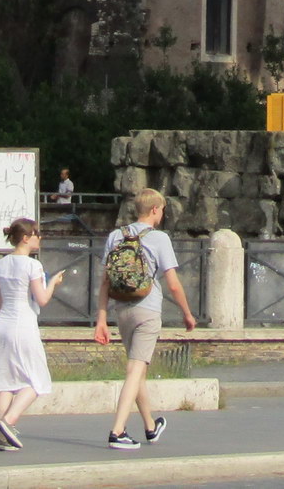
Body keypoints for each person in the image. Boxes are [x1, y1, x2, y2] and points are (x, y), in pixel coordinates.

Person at [94, 189, 197, 450]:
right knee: (134, 370)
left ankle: (151, 427)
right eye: (162, 210)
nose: (162, 214)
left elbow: (105, 281)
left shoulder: (116, 236)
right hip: (148, 310)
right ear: (154, 210)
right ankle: (117, 431)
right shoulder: (159, 238)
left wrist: (101, 319)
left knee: (136, 369)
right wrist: (187, 313)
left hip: (122, 311)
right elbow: (173, 284)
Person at [0, 217, 68, 451]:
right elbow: (42, 299)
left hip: (2, 324)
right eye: (36, 234)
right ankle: (8, 423)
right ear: (25, 238)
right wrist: (53, 283)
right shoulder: (33, 265)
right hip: (23, 324)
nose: (39, 238)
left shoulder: (0, 264)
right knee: (36, 379)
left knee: (5, 380)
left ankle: (2, 438)